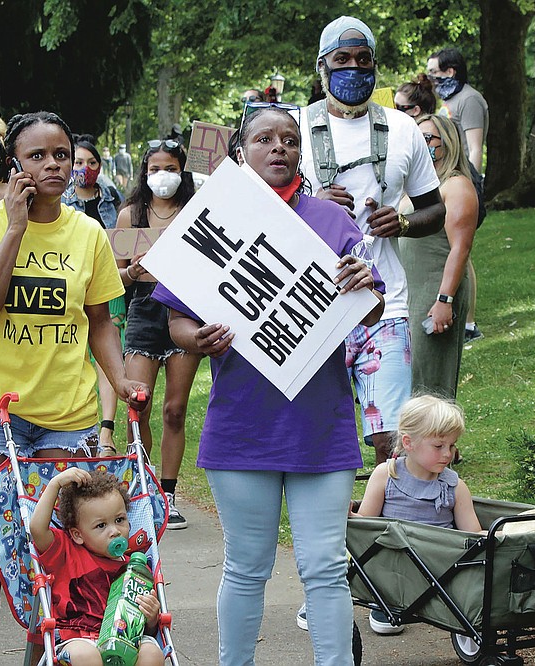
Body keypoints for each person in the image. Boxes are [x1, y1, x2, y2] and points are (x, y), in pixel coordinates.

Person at [156, 104, 385, 666]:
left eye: (289, 139)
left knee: (326, 566)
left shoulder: (334, 223)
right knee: (246, 565)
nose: (278, 148)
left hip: (320, 425)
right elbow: (176, 321)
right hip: (243, 426)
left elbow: (372, 310)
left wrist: (365, 285)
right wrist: (196, 338)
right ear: (241, 152)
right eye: (264, 139)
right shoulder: (211, 221)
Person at [0, 111, 148, 666]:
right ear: (14, 164)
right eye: (36, 156)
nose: (53, 165)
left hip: (68, 415)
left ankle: (45, 659)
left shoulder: (88, 233)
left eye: (61, 153)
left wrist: (122, 380)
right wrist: (15, 226)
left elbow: (101, 320)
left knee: (56, 556)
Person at [301, 15, 445, 465]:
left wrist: (401, 223)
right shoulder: (294, 130)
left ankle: (387, 522)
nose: (353, 69)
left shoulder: (402, 129)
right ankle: (334, 526)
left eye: (364, 60)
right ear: (322, 67)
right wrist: (312, 201)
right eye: (342, 60)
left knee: (392, 436)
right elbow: (256, 205)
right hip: (309, 305)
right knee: (324, 433)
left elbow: (435, 209)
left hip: (388, 304)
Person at [117, 139, 201, 529]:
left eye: (169, 168)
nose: (161, 176)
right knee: (139, 407)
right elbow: (112, 276)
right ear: (144, 173)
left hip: (184, 310)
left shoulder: (196, 210)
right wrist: (132, 272)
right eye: (154, 169)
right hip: (144, 308)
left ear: (182, 170)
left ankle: (168, 493)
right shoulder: (129, 215)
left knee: (174, 410)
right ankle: (142, 485)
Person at [351, 395, 481, 634]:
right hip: (394, 570)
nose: (447, 454)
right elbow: (367, 528)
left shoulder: (454, 486)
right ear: (408, 443)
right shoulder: (386, 475)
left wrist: (506, 534)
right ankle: (384, 599)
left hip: (441, 569)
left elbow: (473, 537)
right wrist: (348, 515)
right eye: (439, 446)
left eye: (452, 446)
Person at [29, 467, 161, 666]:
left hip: (126, 639)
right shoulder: (66, 553)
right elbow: (37, 529)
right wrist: (55, 484)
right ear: (77, 535)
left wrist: (151, 617)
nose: (115, 531)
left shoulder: (135, 568)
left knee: (152, 653)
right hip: (78, 638)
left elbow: (148, 627)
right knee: (86, 656)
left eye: (120, 520)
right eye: (101, 525)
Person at [399, 115, 479, 398]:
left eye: (429, 139)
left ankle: (438, 440)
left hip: (435, 292)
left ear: (448, 143)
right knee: (411, 379)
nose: (423, 146)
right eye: (417, 140)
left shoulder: (456, 186)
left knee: (431, 383)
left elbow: (460, 249)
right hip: (410, 291)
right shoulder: (419, 186)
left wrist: (444, 300)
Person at [63, 133, 127, 454]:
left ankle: (106, 430)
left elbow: (127, 239)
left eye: (91, 162)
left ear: (99, 166)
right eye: (78, 162)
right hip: (73, 283)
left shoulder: (113, 198)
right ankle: (77, 424)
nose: (84, 168)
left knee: (106, 350)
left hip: (107, 282)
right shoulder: (60, 200)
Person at [427, 47, 489, 173]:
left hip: (462, 176)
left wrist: (472, 183)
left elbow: (475, 149)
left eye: (434, 72)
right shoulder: (448, 99)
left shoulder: (470, 99)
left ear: (450, 72)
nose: (430, 78)